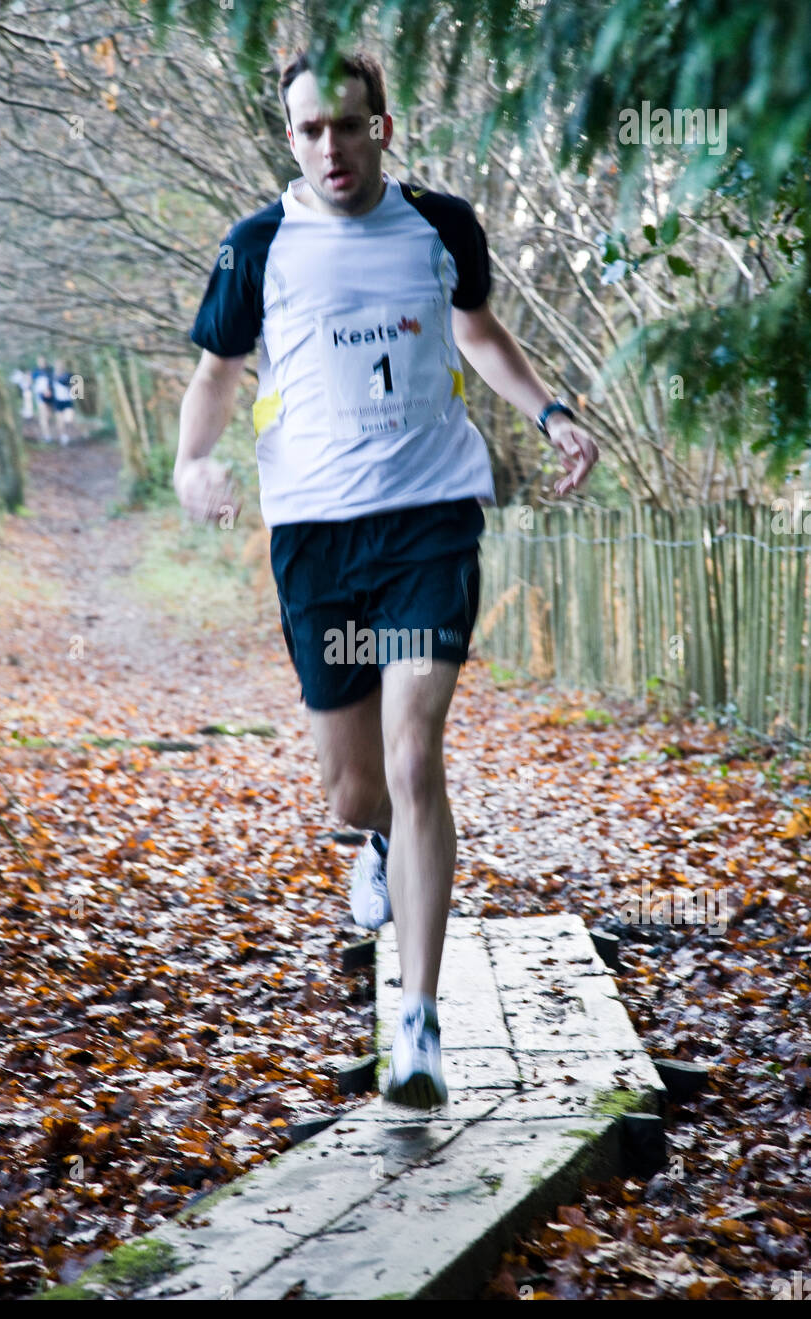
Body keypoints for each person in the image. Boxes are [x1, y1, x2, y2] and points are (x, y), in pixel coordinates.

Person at [174, 49, 599, 1109]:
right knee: (355, 792)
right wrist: (191, 461)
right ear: (290, 139)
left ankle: (417, 1019)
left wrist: (549, 412)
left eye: (350, 126)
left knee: (415, 758)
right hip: (315, 538)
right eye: (311, 130)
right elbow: (217, 373)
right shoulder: (256, 246)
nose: (332, 147)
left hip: (426, 523)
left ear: (384, 127)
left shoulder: (441, 226)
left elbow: (477, 330)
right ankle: (370, 846)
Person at [52, 359, 76, 445]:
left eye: (61, 365)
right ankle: (63, 436)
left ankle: (68, 433)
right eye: (58, 365)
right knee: (60, 420)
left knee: (69, 419)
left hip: (67, 401)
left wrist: (73, 394)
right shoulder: (52, 376)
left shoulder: (69, 375)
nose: (59, 367)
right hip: (57, 401)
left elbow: (74, 385)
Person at [31, 357, 54, 442]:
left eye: (43, 361)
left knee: (49, 415)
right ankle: (47, 435)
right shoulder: (35, 372)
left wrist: (49, 390)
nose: (41, 362)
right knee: (43, 415)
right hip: (40, 396)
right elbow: (33, 383)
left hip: (50, 396)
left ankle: (48, 432)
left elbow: (53, 381)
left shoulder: (50, 370)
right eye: (39, 361)